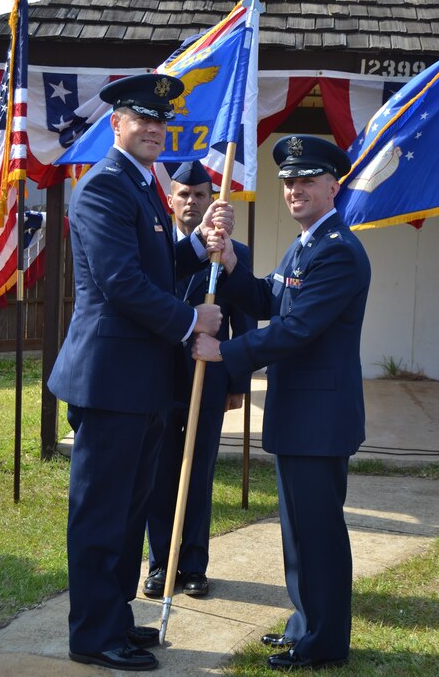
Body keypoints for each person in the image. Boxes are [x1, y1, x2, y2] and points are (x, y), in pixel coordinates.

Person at [47, 74, 232, 672]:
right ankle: (92, 635)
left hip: (142, 379)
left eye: (162, 121)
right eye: (142, 119)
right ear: (116, 124)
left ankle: (115, 620)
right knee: (103, 513)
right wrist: (192, 319)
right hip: (111, 379)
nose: (155, 128)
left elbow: (151, 265)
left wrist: (195, 244)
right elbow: (121, 284)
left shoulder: (145, 184)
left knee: (129, 510)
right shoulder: (104, 187)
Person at [192, 135, 371, 671]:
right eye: (289, 182)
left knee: (318, 532)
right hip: (301, 413)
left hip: (320, 417)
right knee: (300, 530)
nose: (294, 189)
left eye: (306, 180)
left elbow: (296, 330)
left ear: (333, 186)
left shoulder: (338, 250)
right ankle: (305, 623)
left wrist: (224, 353)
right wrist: (226, 266)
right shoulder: (308, 243)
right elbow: (271, 297)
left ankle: (323, 643)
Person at [144, 160, 255, 599]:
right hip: (157, 377)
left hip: (208, 377)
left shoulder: (233, 253)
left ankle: (193, 565)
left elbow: (245, 321)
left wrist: (238, 384)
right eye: (184, 195)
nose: (192, 202)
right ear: (169, 199)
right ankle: (160, 564)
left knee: (198, 470)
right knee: (160, 470)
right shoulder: (155, 252)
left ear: (213, 200)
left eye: (201, 195)